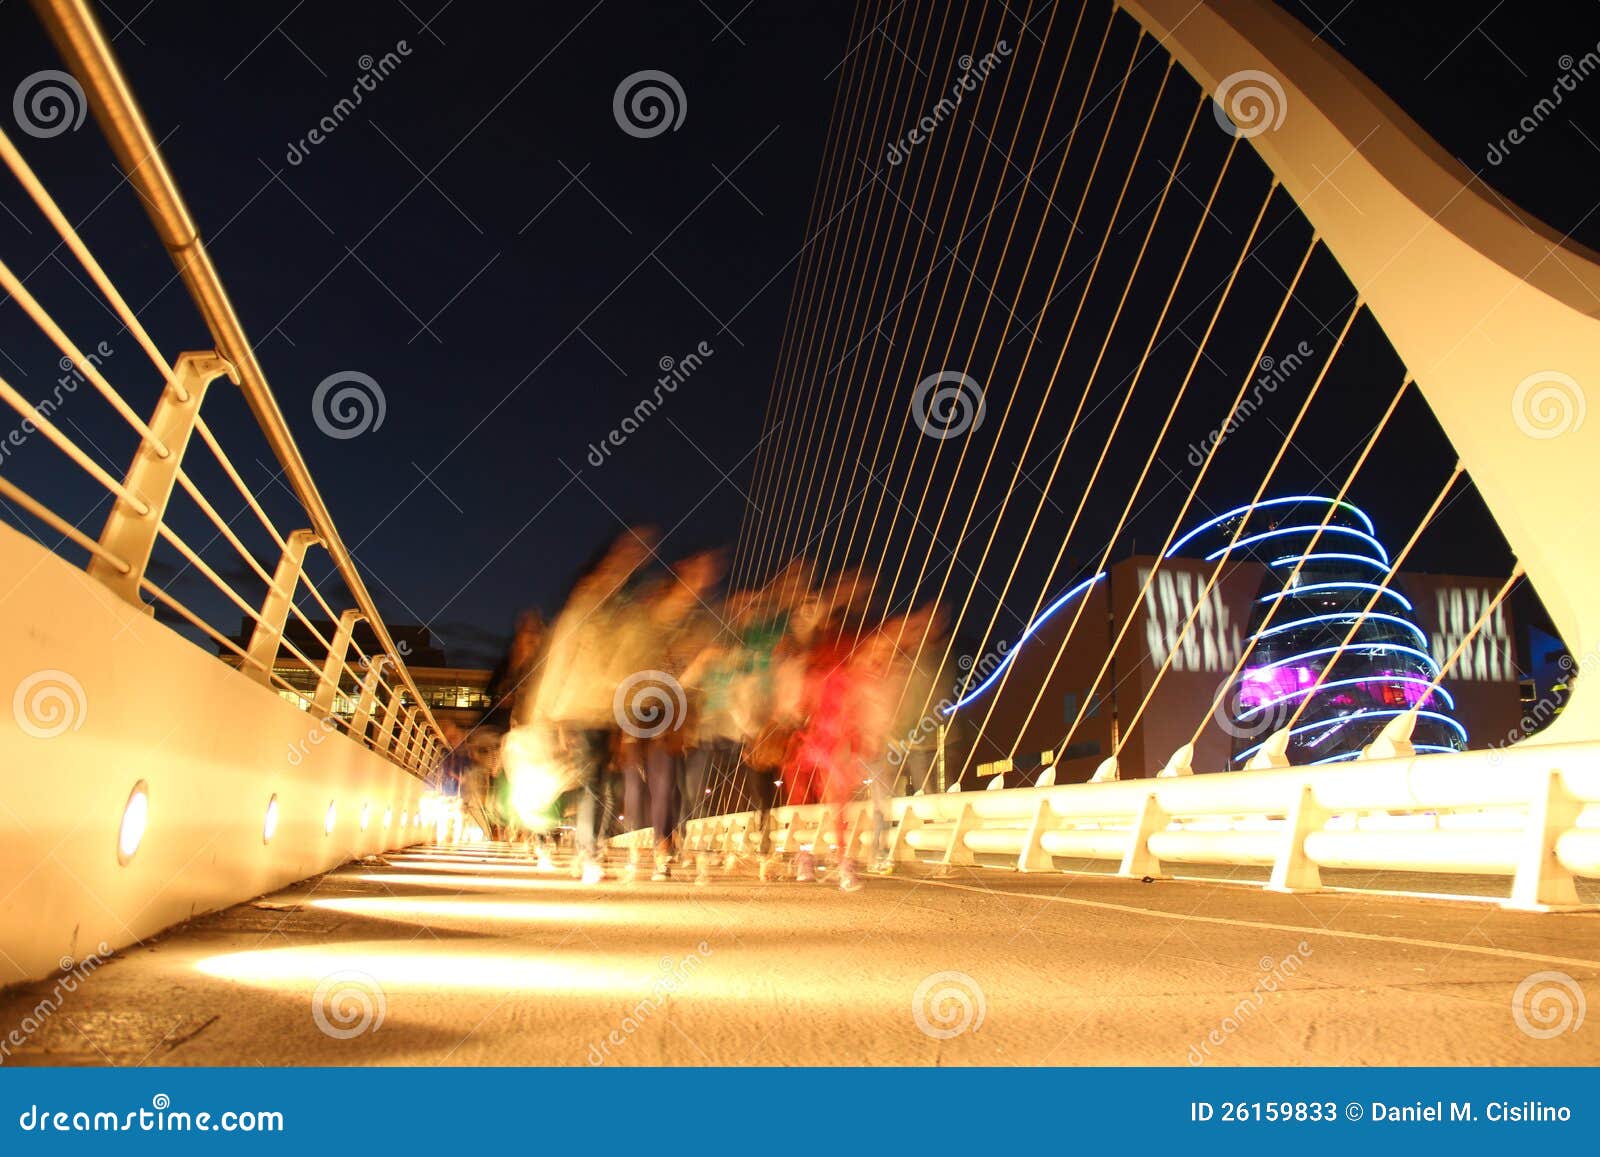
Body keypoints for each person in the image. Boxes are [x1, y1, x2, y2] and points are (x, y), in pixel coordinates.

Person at [531, 529, 656, 883]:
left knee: (602, 783)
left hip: (607, 711)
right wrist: (547, 713)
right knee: (591, 781)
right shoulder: (582, 609)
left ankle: (587, 848)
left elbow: (631, 667)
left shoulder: (624, 616)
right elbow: (560, 659)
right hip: (578, 709)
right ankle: (589, 852)